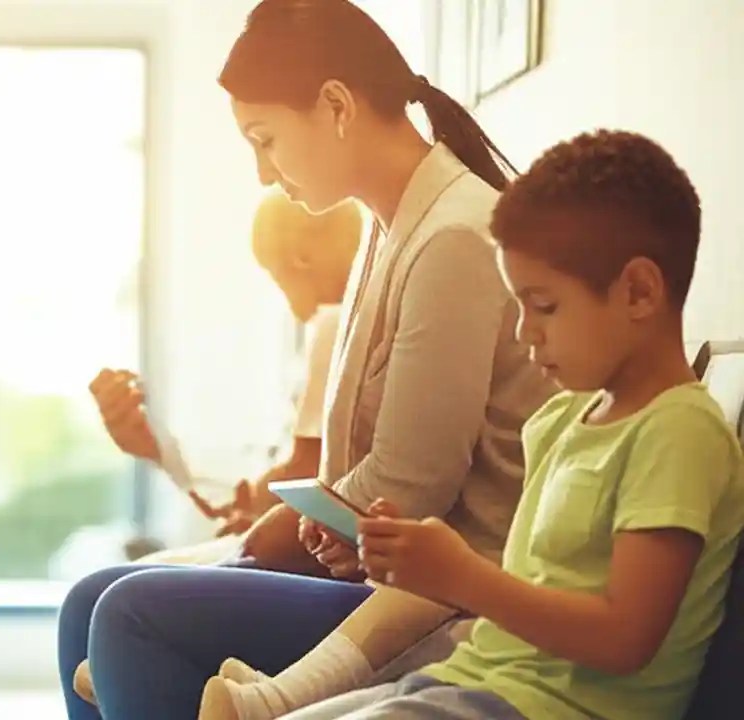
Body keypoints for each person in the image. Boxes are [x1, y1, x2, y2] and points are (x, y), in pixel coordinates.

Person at [57, 1, 553, 718]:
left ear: (336, 106)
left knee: (129, 614)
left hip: (443, 603)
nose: (263, 174)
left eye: (266, 140)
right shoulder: (391, 230)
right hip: (376, 578)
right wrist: (316, 522)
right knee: (87, 602)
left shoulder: (454, 238)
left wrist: (315, 525)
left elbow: (409, 494)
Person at [264, 130, 744, 720]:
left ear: (639, 292)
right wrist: (415, 557)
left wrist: (463, 576)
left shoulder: (678, 432)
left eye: (544, 307)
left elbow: (625, 639)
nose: (523, 332)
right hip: (479, 681)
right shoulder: (563, 419)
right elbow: (534, 585)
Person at [89, 195, 362, 555]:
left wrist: (244, 505)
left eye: (277, 277)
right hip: (318, 538)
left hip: (315, 545)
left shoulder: (332, 324)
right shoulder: (359, 325)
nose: (289, 301)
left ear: (301, 260)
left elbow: (304, 468)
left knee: (115, 586)